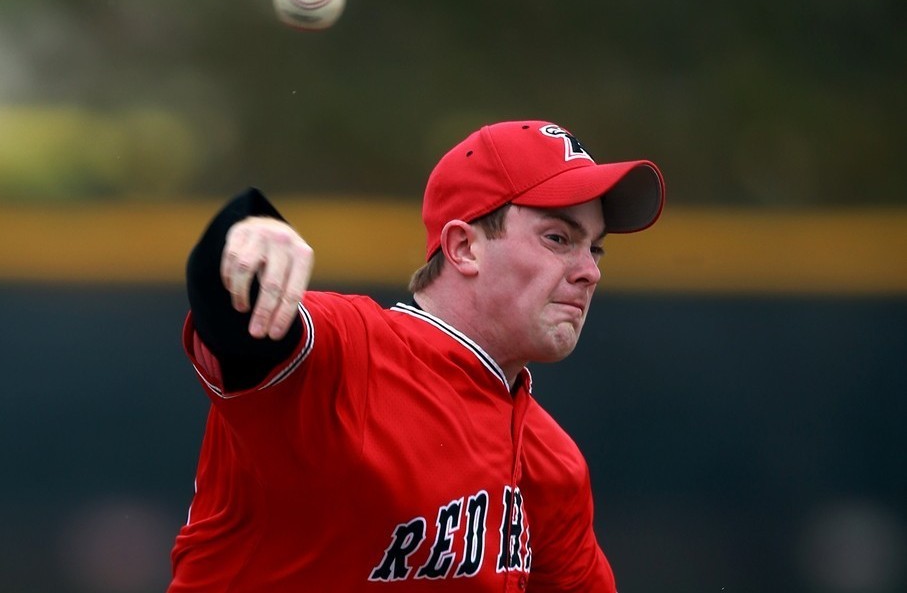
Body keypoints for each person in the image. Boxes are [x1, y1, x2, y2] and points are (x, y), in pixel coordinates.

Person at [167, 120, 665, 592]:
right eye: (559, 239)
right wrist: (242, 232)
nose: (589, 272)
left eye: (594, 250)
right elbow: (235, 321)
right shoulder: (350, 353)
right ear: (463, 247)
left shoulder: (553, 466)